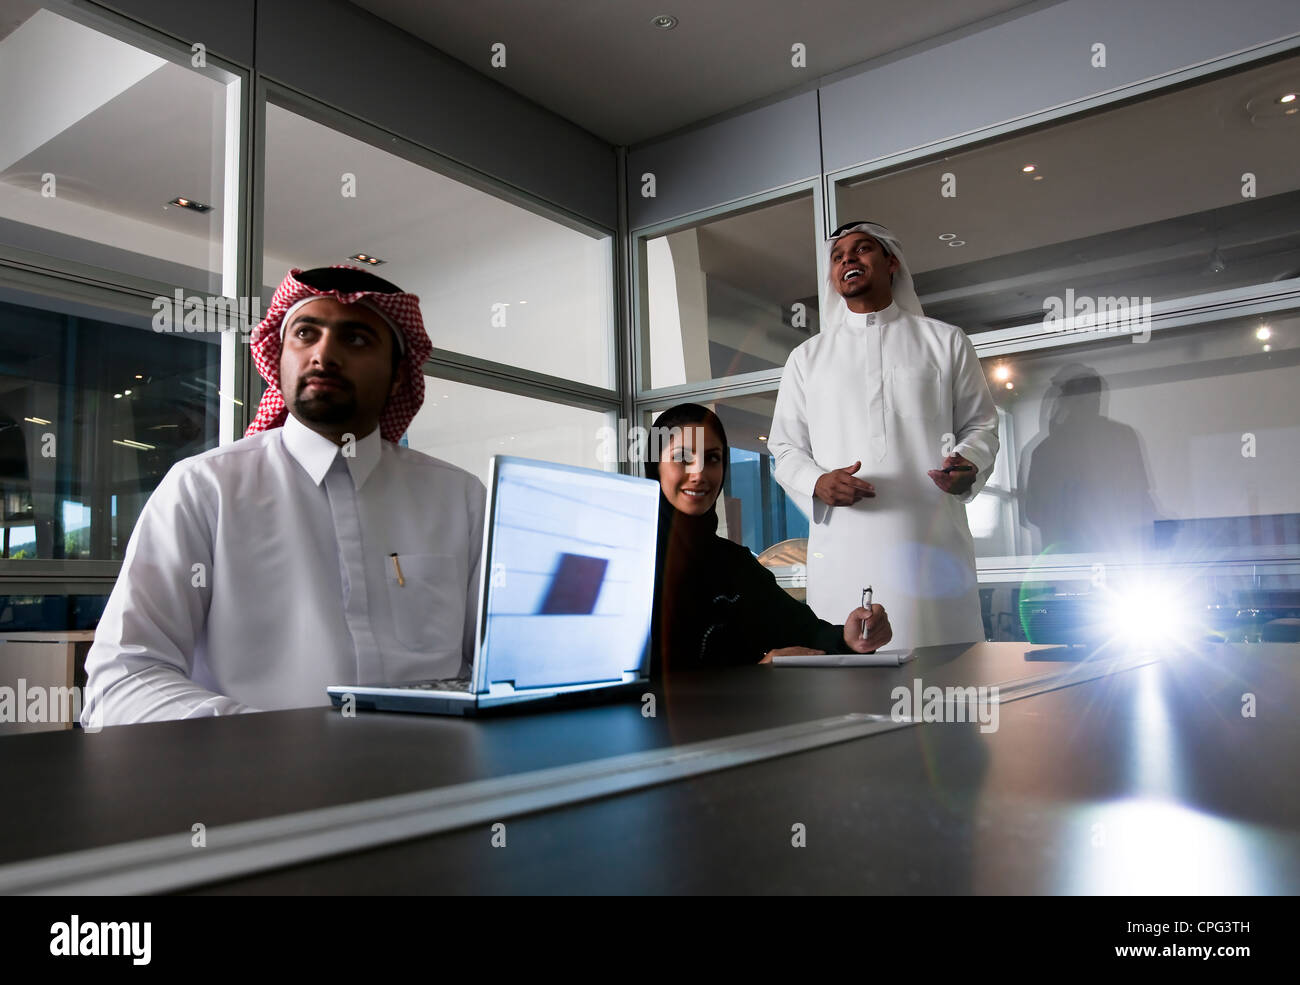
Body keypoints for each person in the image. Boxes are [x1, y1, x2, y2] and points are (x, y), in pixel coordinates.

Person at [81, 266, 485, 725]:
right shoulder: (203, 488)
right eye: (305, 334)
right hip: (253, 787)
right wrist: (271, 749)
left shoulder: (459, 498)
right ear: (280, 356)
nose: (323, 354)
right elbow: (122, 680)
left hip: (435, 778)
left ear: (398, 377)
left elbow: (492, 665)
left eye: (355, 339)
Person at [767, 221, 999, 651]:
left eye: (861, 250)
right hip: (844, 551)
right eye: (838, 257)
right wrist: (817, 482)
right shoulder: (806, 358)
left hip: (932, 548)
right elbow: (784, 447)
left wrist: (968, 463)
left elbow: (981, 425)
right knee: (847, 688)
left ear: (892, 262)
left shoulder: (945, 342)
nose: (848, 260)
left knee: (944, 680)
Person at [648, 403, 891, 674]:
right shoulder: (633, 562)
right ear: (654, 466)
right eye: (682, 458)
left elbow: (803, 632)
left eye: (713, 459)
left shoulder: (734, 564)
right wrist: (753, 675)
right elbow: (629, 685)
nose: (699, 473)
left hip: (745, 716)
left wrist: (851, 638)